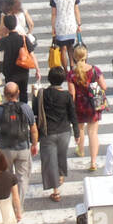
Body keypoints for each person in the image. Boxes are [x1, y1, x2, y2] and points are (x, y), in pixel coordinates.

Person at [0, 81, 36, 203]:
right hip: (23, 148)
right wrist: (34, 144)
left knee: (6, 176)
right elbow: (33, 129)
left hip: (5, 149)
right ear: (18, 93)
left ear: (4, 94)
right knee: (22, 178)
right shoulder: (25, 108)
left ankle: (8, 202)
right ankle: (18, 205)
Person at [36, 66, 75, 201]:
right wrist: (77, 132)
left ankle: (56, 191)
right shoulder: (67, 95)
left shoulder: (42, 94)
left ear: (49, 79)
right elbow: (72, 114)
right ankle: (61, 175)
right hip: (64, 131)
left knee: (50, 161)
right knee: (61, 155)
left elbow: (36, 111)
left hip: (48, 132)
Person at [68, 44, 107, 169]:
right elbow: (104, 86)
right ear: (86, 56)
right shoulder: (95, 70)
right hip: (93, 105)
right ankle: (93, 162)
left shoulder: (71, 73)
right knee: (93, 133)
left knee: (80, 129)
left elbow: (72, 94)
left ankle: (80, 150)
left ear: (74, 57)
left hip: (79, 106)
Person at [0, 14, 35, 105]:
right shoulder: (24, 38)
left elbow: (0, 56)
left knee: (10, 94)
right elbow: (32, 55)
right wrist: (37, 70)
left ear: (5, 26)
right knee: (23, 92)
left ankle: (11, 110)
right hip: (23, 70)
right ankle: (23, 109)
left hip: (10, 72)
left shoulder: (3, 41)